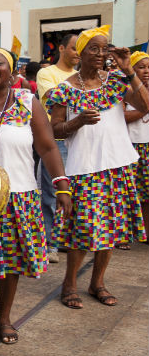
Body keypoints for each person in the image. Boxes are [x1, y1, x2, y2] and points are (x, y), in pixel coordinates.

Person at [0, 47, 71, 344]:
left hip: (18, 194)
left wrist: (61, 184)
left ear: (12, 72)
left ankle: (4, 316)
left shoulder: (26, 102)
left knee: (10, 262)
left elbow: (47, 146)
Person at [46, 26, 149, 309]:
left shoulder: (115, 81)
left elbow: (145, 104)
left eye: (105, 49)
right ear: (81, 53)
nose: (101, 54)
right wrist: (77, 122)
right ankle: (69, 285)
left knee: (111, 230)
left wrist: (129, 70)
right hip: (85, 168)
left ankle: (97, 283)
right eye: (95, 48)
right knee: (82, 230)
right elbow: (55, 130)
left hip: (118, 165)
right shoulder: (65, 88)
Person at [36, 33, 80, 263]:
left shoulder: (81, 77)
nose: (77, 54)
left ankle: (65, 239)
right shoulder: (47, 73)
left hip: (80, 140)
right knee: (52, 193)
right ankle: (49, 243)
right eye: (74, 48)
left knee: (74, 192)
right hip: (56, 141)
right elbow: (54, 97)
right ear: (62, 48)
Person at [124, 52, 149, 242]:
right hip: (129, 146)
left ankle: (145, 233)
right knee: (130, 192)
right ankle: (126, 235)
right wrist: (144, 109)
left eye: (148, 67)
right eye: (141, 67)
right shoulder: (125, 89)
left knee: (147, 192)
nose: (146, 71)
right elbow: (121, 117)